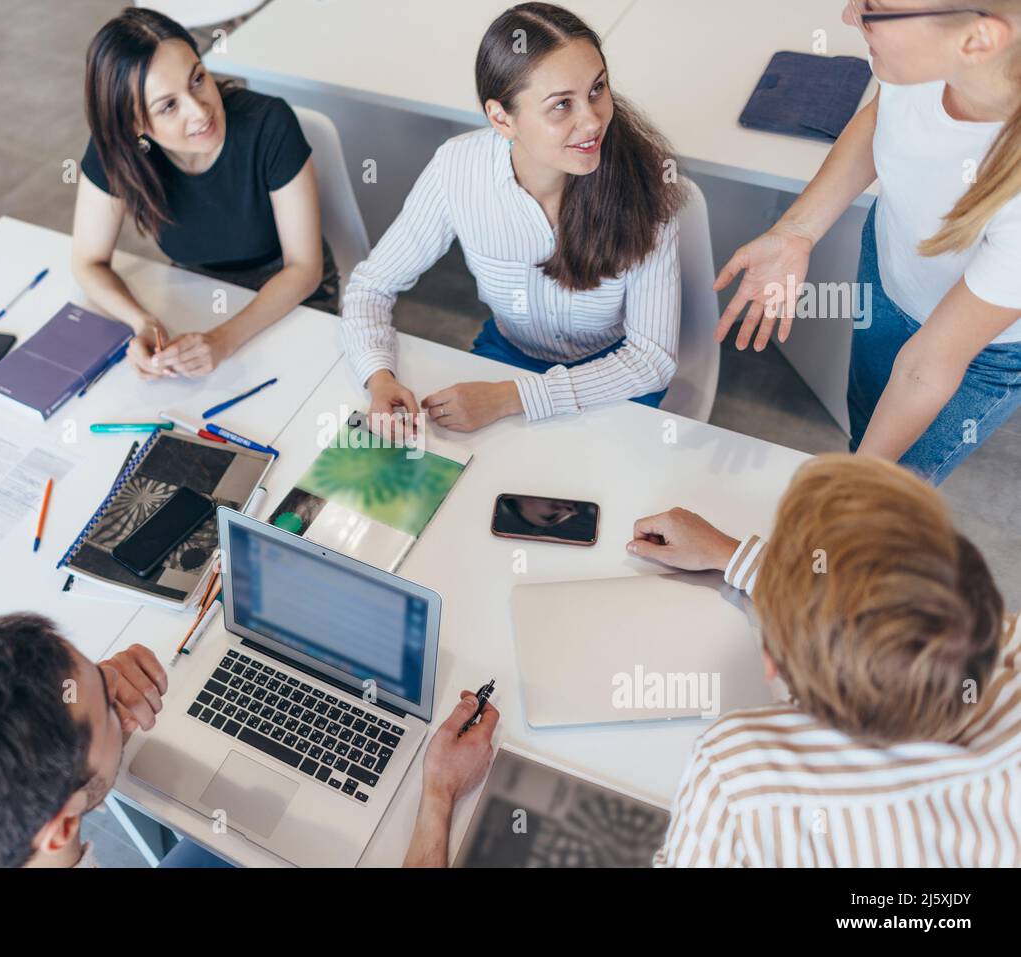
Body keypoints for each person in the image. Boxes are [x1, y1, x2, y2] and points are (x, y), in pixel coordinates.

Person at [0, 612, 500, 868]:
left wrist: (86, 698)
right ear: (54, 828)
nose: (114, 682)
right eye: (107, 704)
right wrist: (439, 791)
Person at [628, 454, 1018, 865]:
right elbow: (896, 610)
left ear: (771, 660)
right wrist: (730, 555)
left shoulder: (740, 776)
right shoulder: (1004, 642)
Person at [340, 2, 684, 435]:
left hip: (613, 374)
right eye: (562, 105)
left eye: (597, 89)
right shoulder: (457, 171)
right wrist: (379, 378)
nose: (593, 120)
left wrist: (515, 396)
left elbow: (651, 360)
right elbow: (372, 286)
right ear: (502, 118)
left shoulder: (648, 188)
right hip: (510, 355)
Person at [715, 1, 1021, 484]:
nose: (847, 15)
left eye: (874, 9)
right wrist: (797, 230)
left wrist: (856, 487)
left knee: (884, 494)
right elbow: (884, 116)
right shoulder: (922, 60)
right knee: (864, 420)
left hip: (977, 354)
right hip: (888, 275)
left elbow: (926, 367)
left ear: (978, 40)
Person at [71, 7, 337, 382]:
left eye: (197, 78)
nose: (200, 111)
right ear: (134, 125)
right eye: (168, 106)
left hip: (291, 291)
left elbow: (305, 269)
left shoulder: (269, 123)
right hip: (196, 291)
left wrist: (223, 340)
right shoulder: (115, 152)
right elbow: (88, 260)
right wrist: (142, 322)